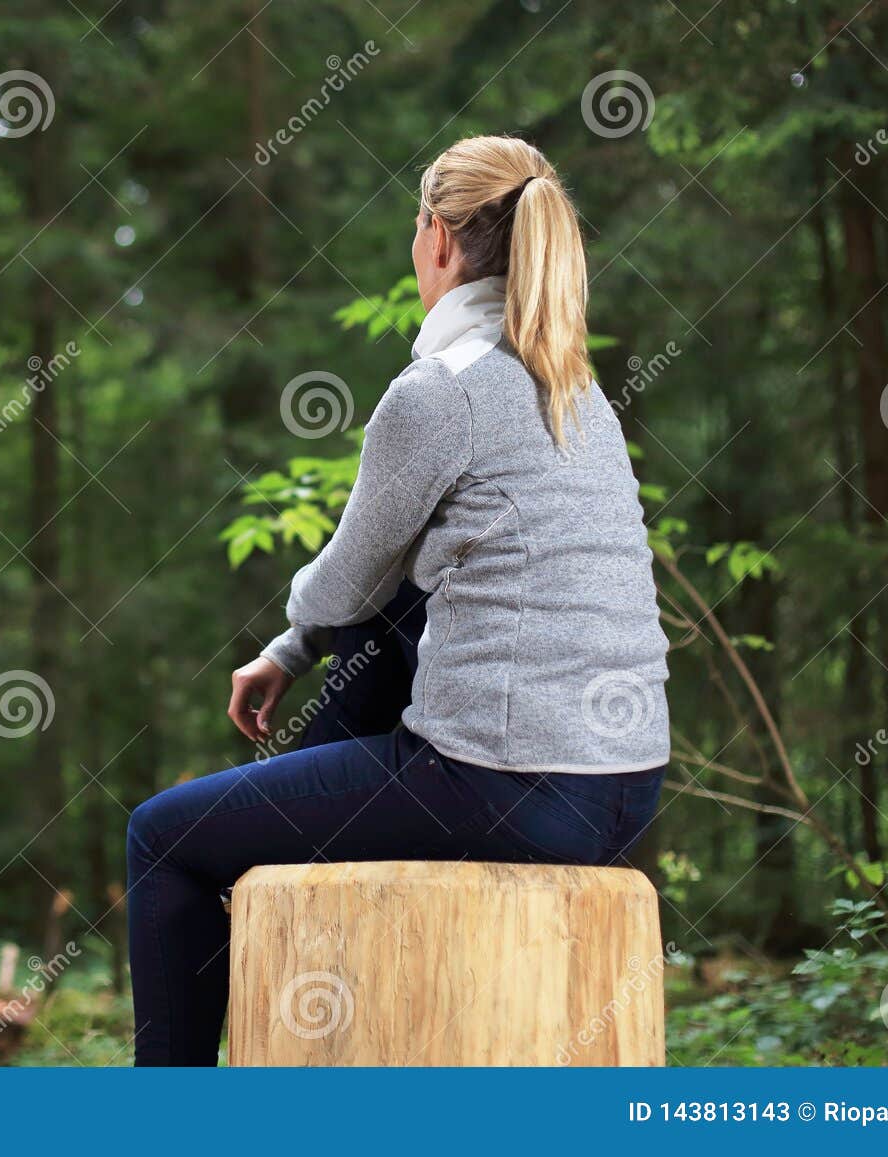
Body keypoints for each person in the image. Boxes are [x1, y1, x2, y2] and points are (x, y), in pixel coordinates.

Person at [125, 135, 671, 1066]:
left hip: (503, 784)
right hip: (625, 785)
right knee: (403, 606)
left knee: (162, 836)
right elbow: (381, 591)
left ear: (440, 242)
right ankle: (287, 814)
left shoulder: (440, 391)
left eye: (417, 226)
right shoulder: (576, 389)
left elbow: (342, 578)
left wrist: (292, 629)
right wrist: (294, 651)